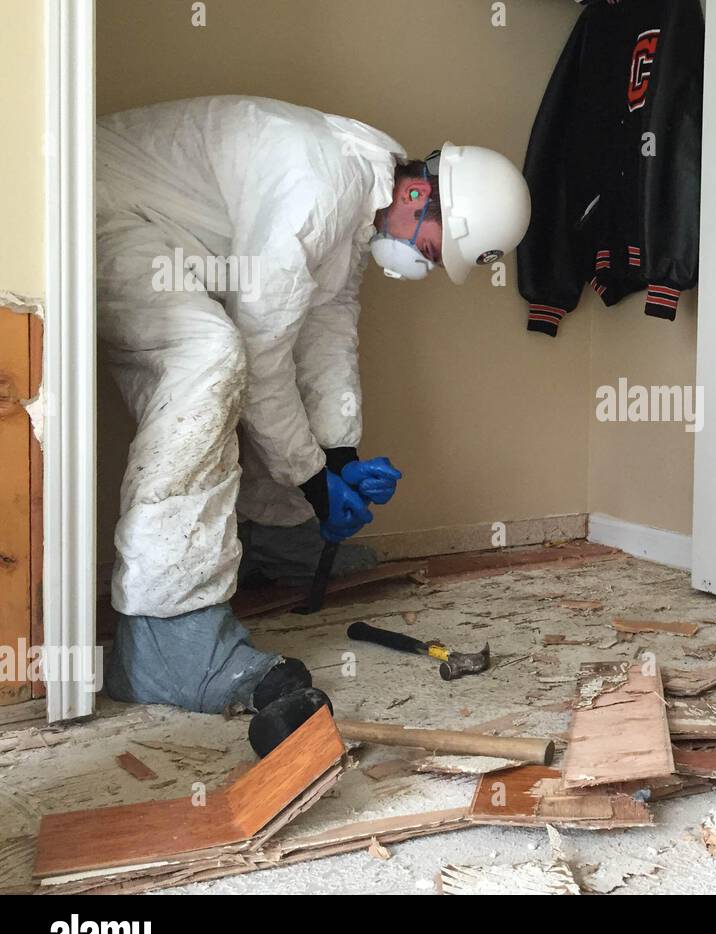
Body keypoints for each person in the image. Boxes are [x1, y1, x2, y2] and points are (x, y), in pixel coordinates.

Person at [96, 96, 530, 754]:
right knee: (208, 358)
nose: (430, 266)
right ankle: (166, 640)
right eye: (439, 250)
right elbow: (264, 352)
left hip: (168, 230)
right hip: (98, 205)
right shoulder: (322, 187)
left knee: (250, 368)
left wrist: (340, 454)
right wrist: (315, 480)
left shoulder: (362, 193)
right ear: (421, 198)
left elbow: (324, 330)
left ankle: (274, 539)